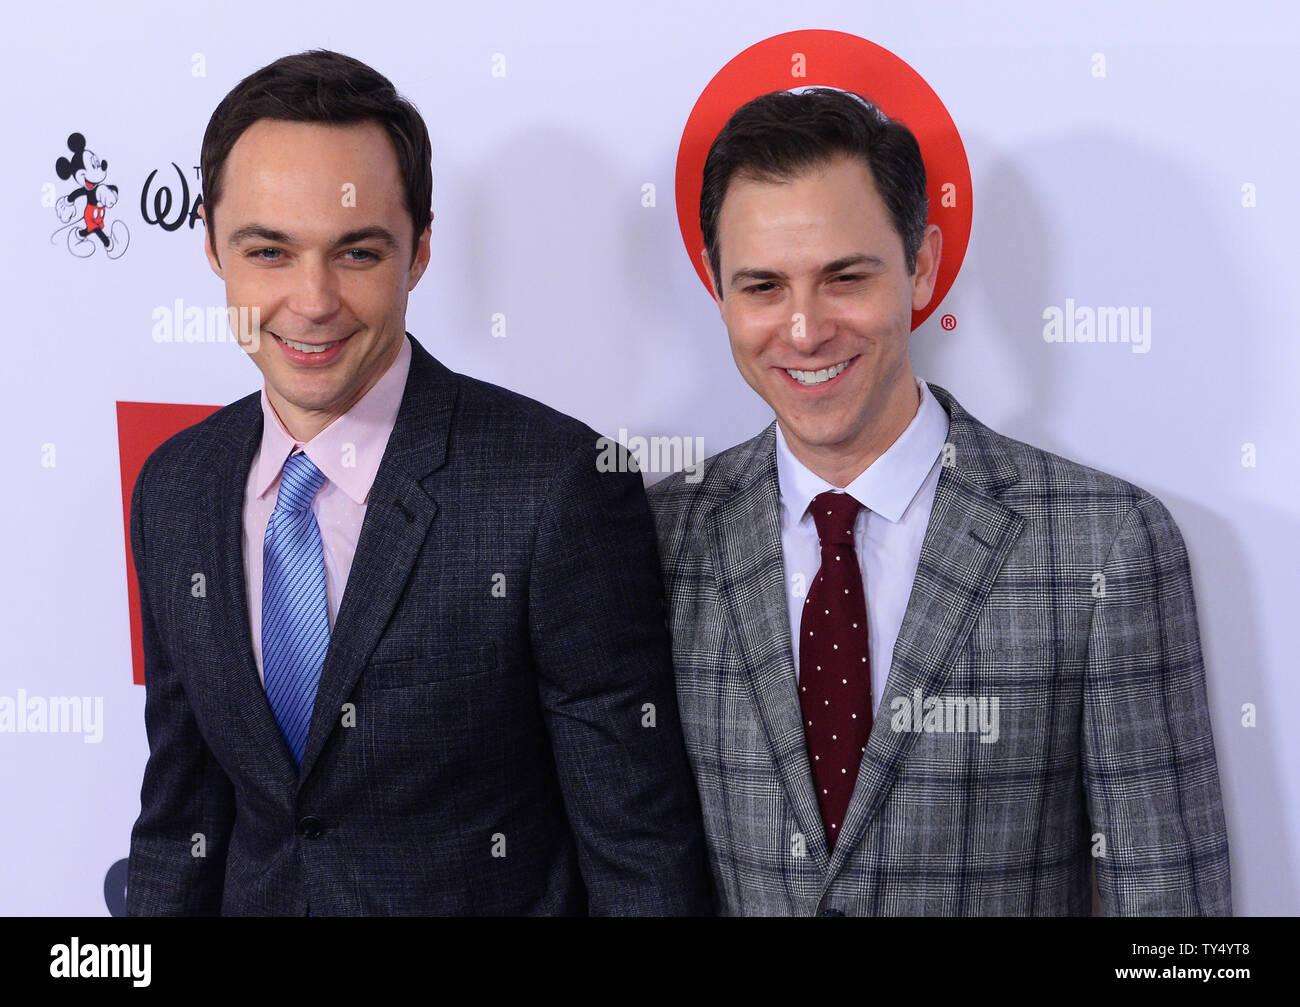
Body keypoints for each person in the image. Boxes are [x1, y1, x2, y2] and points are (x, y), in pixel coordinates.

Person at [126, 49, 709, 916]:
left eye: (357, 253)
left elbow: (637, 853)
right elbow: (182, 824)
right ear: (212, 246)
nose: (312, 299)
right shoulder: (175, 486)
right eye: (270, 251)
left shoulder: (556, 488)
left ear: (422, 250)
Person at [648, 87, 1231, 916]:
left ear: (921, 266)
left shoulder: (1104, 546)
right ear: (717, 288)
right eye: (764, 287)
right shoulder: (659, 538)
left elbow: (1175, 919)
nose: (806, 329)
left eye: (845, 276)